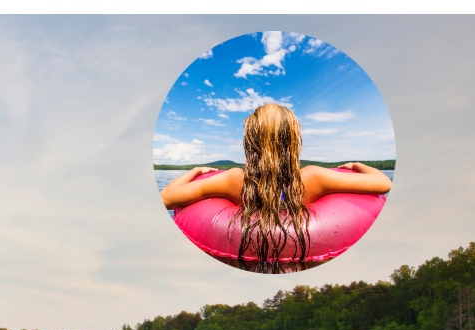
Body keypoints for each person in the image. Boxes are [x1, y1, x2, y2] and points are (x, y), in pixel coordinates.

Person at [159, 103, 392, 263]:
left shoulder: (234, 180)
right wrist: (357, 165)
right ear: (294, 141)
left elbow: (166, 199)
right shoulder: (314, 178)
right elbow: (383, 183)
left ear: (249, 143)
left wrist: (195, 171)